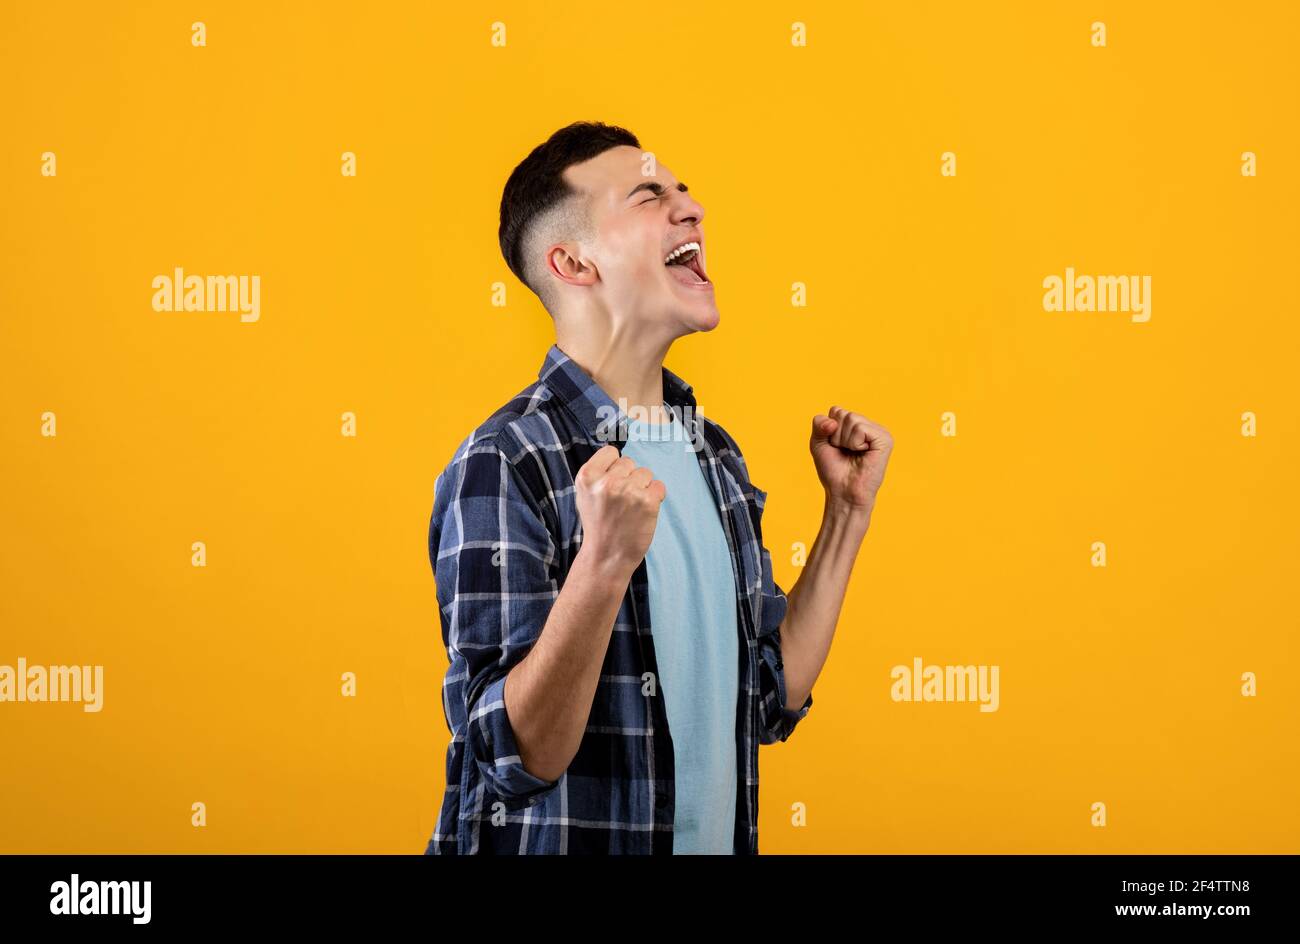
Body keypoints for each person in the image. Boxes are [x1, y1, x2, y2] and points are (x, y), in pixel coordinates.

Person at [425, 121, 893, 854]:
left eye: (685, 190)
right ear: (573, 262)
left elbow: (766, 699)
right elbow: (517, 755)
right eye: (650, 194)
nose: (692, 208)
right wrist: (604, 563)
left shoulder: (714, 459)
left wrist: (845, 516)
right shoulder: (507, 459)